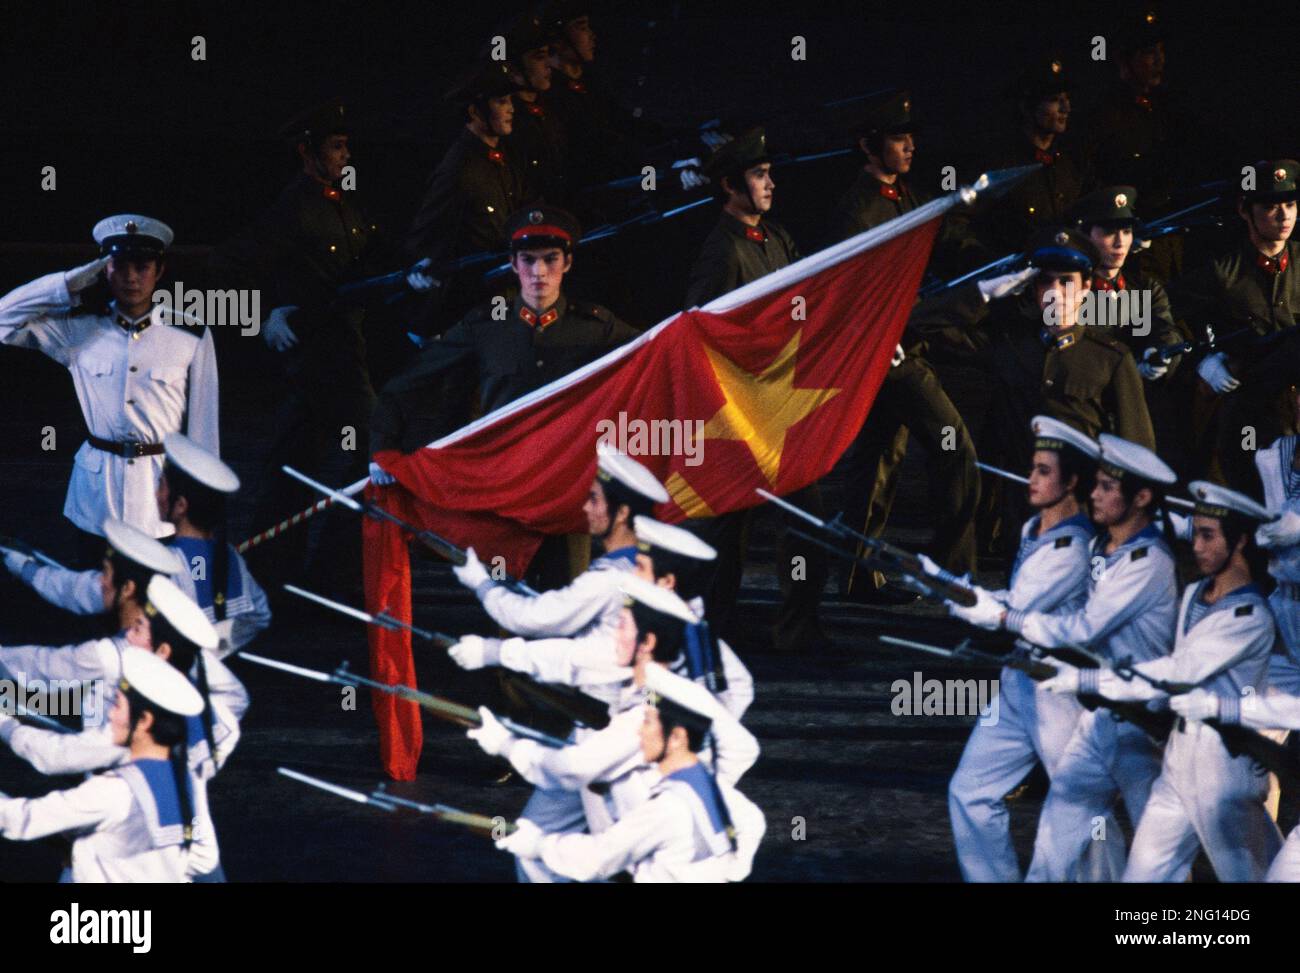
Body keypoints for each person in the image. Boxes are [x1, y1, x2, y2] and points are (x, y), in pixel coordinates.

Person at [949, 434, 1179, 880]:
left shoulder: (1145, 562)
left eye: (1108, 487)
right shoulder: (1101, 548)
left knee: (1163, 840)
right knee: (1060, 825)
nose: (1095, 494)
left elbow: (1082, 628)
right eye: (1098, 484)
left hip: (1133, 714)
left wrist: (1002, 615)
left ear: (1142, 497)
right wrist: (957, 591)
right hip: (1091, 704)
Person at [1044, 481, 1282, 881]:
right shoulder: (1193, 594)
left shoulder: (1249, 616)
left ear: (1240, 542)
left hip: (1223, 772)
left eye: (1209, 537)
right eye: (1196, 534)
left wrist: (1088, 680)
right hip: (1177, 762)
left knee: (1252, 875)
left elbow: (1176, 671)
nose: (1198, 547)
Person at [684, 127, 828, 651]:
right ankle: (711, 632)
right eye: (758, 175)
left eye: (769, 173)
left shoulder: (775, 238)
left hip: (778, 405)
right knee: (727, 534)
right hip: (740, 411)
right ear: (730, 185)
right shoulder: (721, 253)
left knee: (803, 523)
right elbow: (698, 329)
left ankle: (796, 631)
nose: (770, 183)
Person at [0, 215, 218, 559]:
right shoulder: (79, 330)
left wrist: (202, 511)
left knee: (151, 608)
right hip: (94, 499)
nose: (131, 277)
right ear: (104, 269)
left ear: (159, 271)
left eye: (143, 266)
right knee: (93, 602)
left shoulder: (188, 334)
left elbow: (205, 429)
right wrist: (67, 284)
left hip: (158, 499)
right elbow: (3, 319)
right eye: (119, 265)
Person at [494, 634, 765, 883]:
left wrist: (697, 743)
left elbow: (738, 689)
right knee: (535, 835)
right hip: (589, 737)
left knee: (617, 857)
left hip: (635, 751)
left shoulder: (677, 626)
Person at [0, 647, 215, 882]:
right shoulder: (187, 780)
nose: (111, 715)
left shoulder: (114, 791)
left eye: (118, 706)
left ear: (144, 721)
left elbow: (21, 819)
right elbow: (204, 859)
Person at [1167, 159, 1300, 490]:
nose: (1284, 216)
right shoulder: (1223, 273)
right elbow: (1151, 312)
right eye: (1270, 207)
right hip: (1249, 415)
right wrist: (1200, 362)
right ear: (1245, 210)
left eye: (1290, 204)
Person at [405, 60, 524, 336]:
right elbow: (424, 235)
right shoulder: (459, 169)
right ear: (475, 111)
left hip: (504, 292)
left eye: (510, 100)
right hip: (473, 303)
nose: (510, 108)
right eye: (501, 101)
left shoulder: (502, 159)